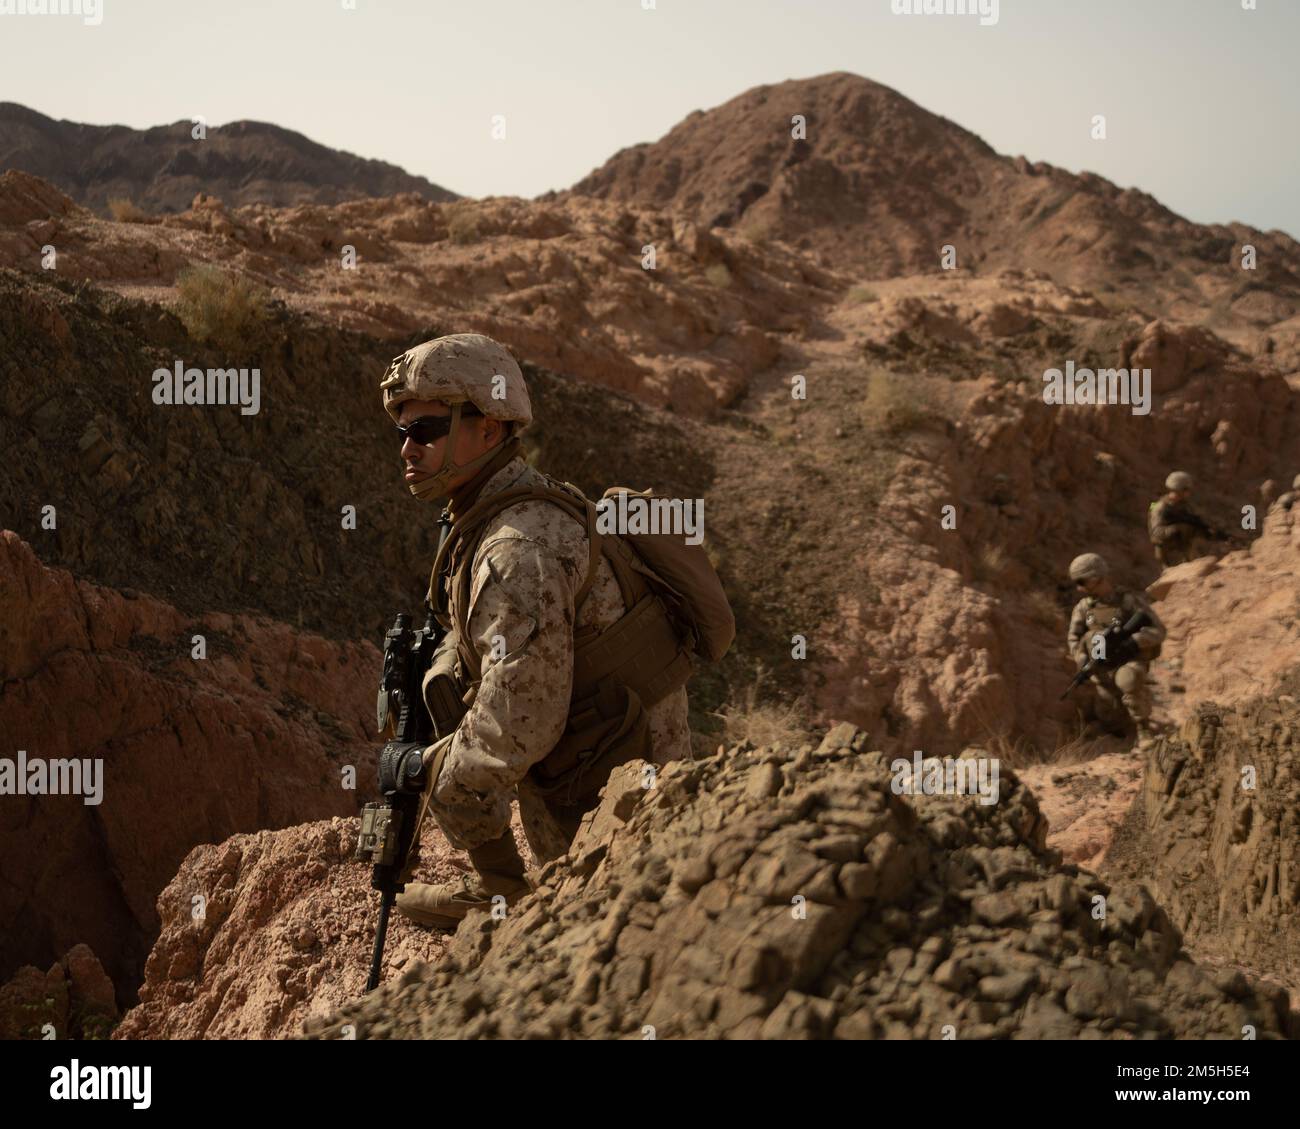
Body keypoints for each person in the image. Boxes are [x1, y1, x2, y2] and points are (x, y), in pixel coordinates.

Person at [379, 333, 700, 928]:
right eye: (402, 432)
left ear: (489, 429)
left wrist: (430, 772)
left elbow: (523, 715)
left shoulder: (514, 547)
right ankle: (510, 894)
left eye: (426, 430)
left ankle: (511, 903)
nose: (407, 448)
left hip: (620, 807)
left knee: (452, 776)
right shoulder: (515, 506)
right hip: (612, 759)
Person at [1066, 552, 1166, 744]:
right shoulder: (1083, 608)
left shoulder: (1127, 601)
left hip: (1128, 661)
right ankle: (1121, 729)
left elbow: (1158, 630)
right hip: (1102, 667)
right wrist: (1082, 659)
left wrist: (1134, 642)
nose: (1079, 589)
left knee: (1128, 680)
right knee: (1108, 716)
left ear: (1096, 578)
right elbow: (1073, 638)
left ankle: (1143, 729)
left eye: (1082, 582)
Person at [1148, 471, 1215, 567]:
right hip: (1168, 555)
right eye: (1187, 489)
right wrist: (1179, 528)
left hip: (1182, 552)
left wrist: (1208, 531)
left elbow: (1195, 523)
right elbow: (1156, 534)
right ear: (1179, 490)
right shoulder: (1160, 507)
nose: (1189, 492)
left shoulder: (1183, 506)